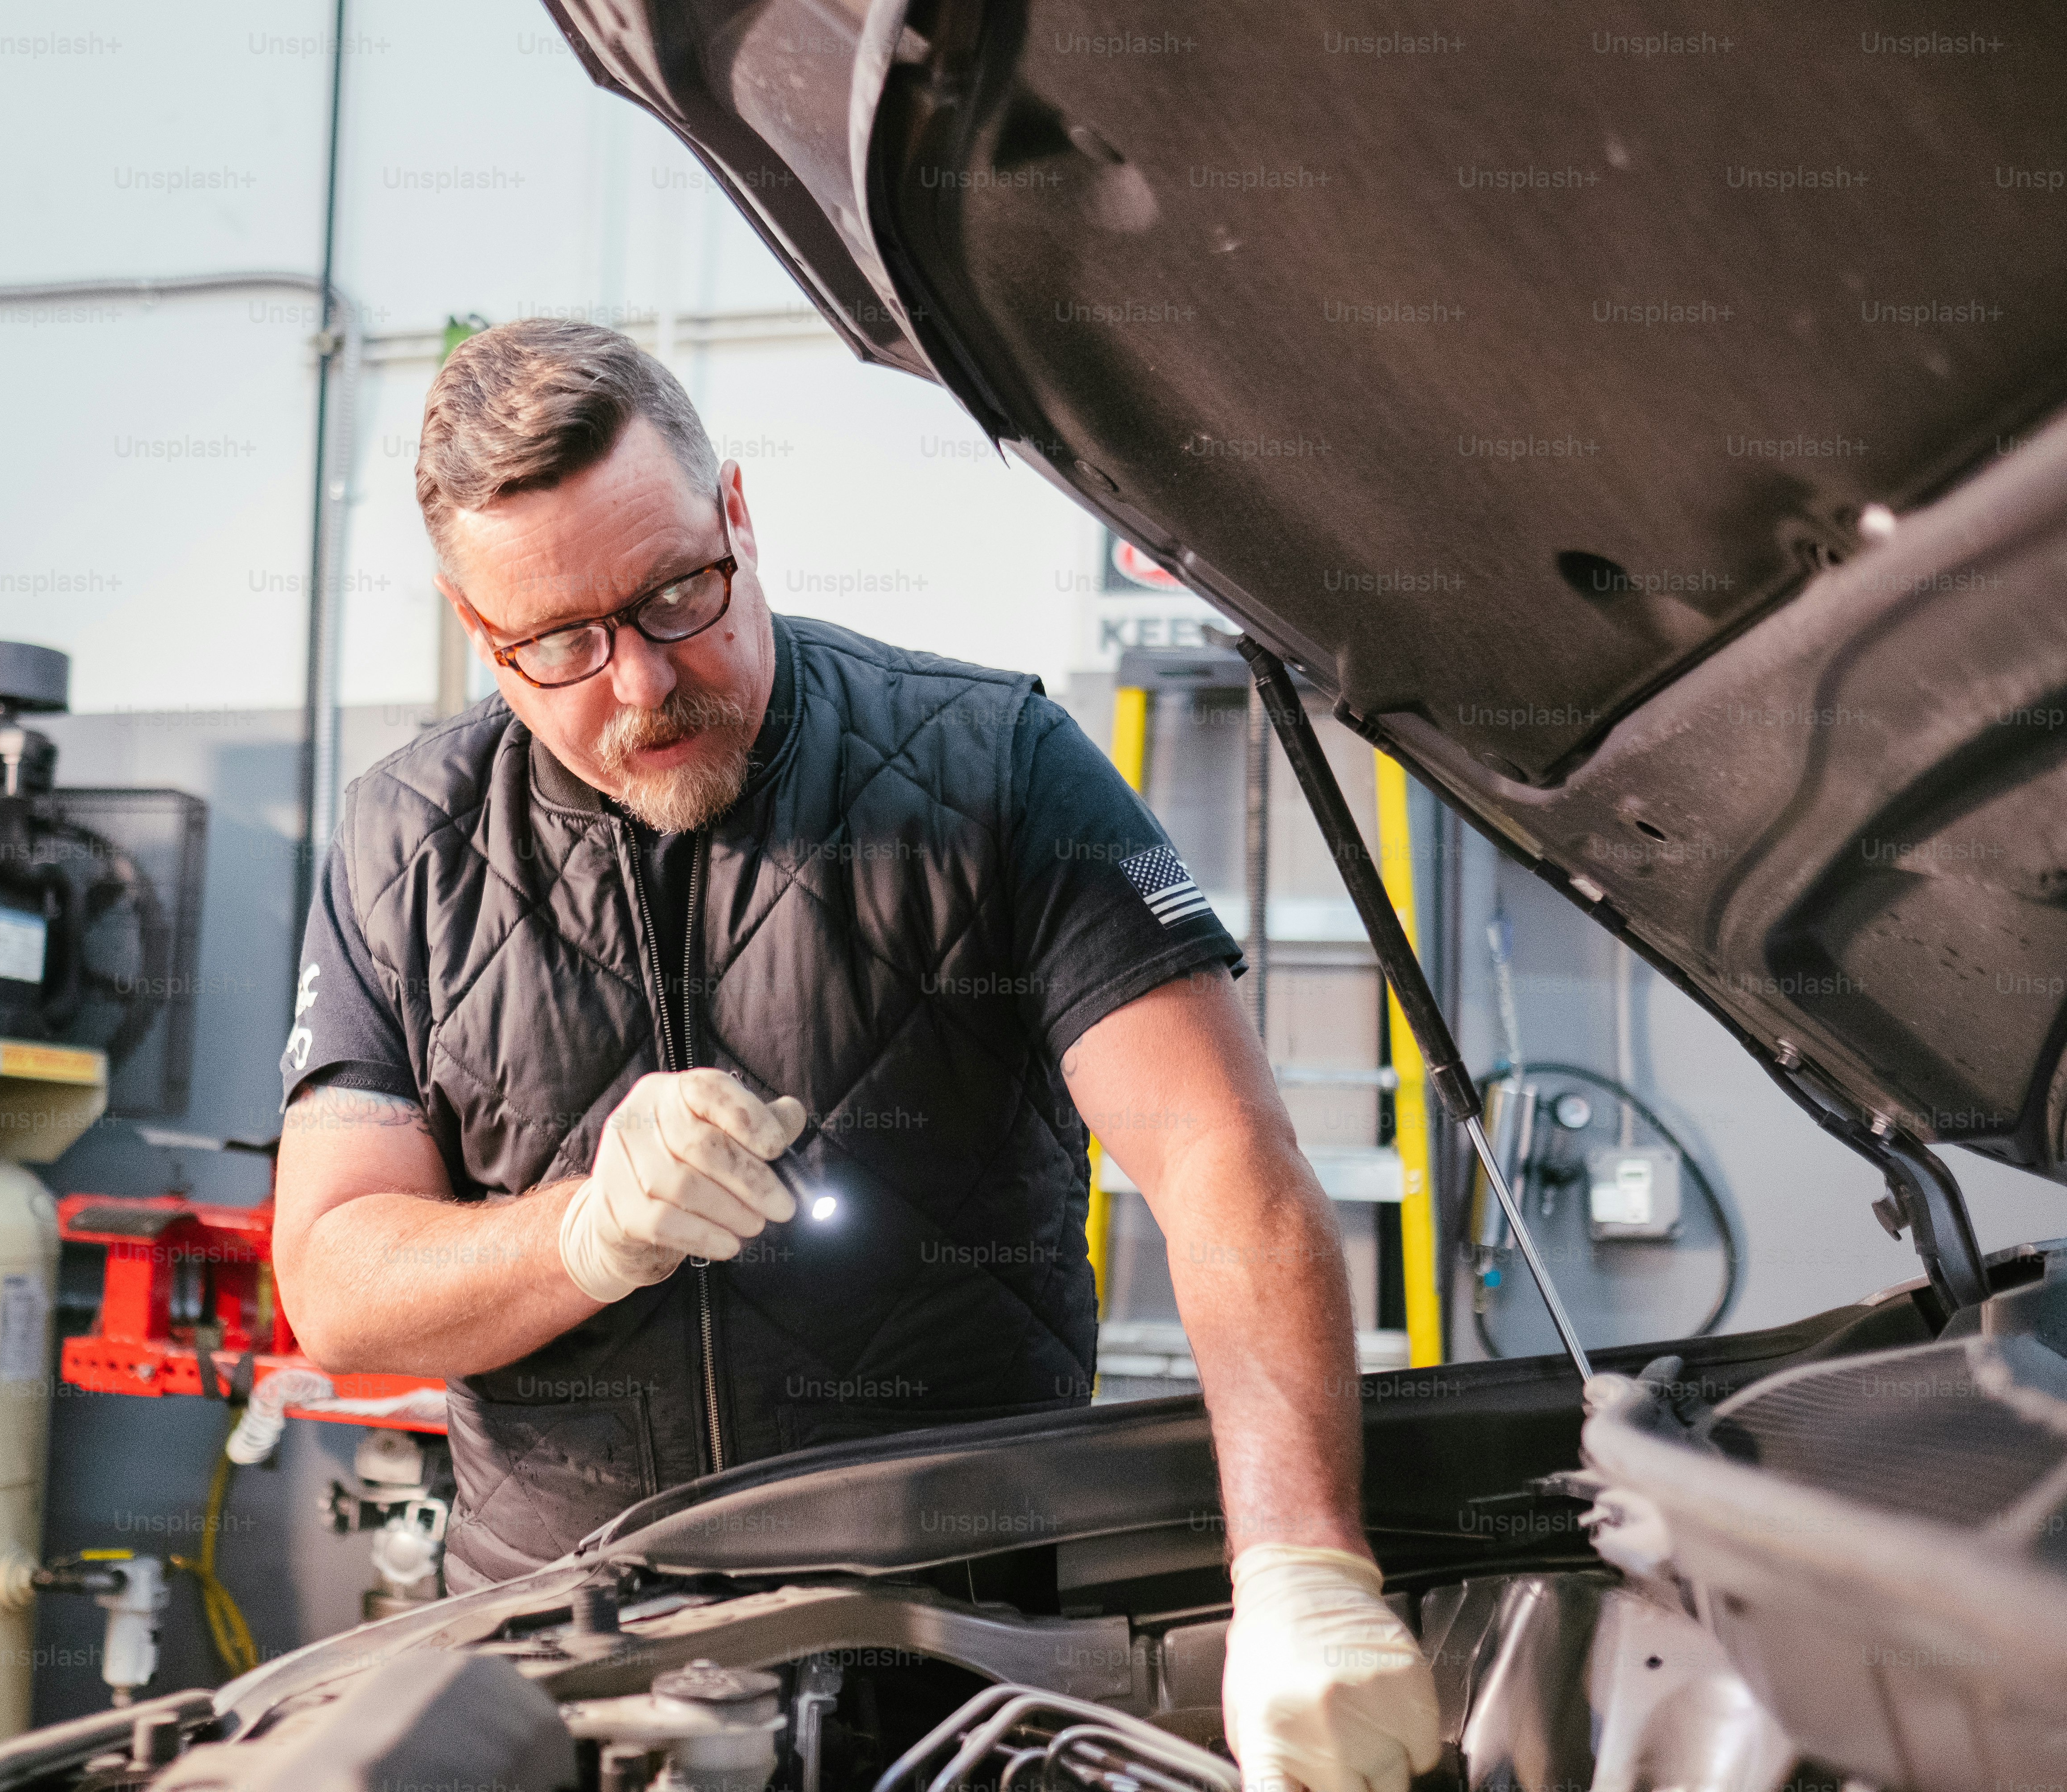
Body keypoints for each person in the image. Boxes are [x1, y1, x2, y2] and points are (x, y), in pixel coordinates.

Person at [271, 318, 1438, 1792]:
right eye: (560, 645)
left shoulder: (996, 766)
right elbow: (332, 1281)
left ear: (739, 518)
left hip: (967, 1669)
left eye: (679, 594)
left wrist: (1299, 1566)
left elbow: (1220, 1161)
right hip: (566, 1672)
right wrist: (586, 1233)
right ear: (473, 625)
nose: (640, 685)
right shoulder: (402, 845)